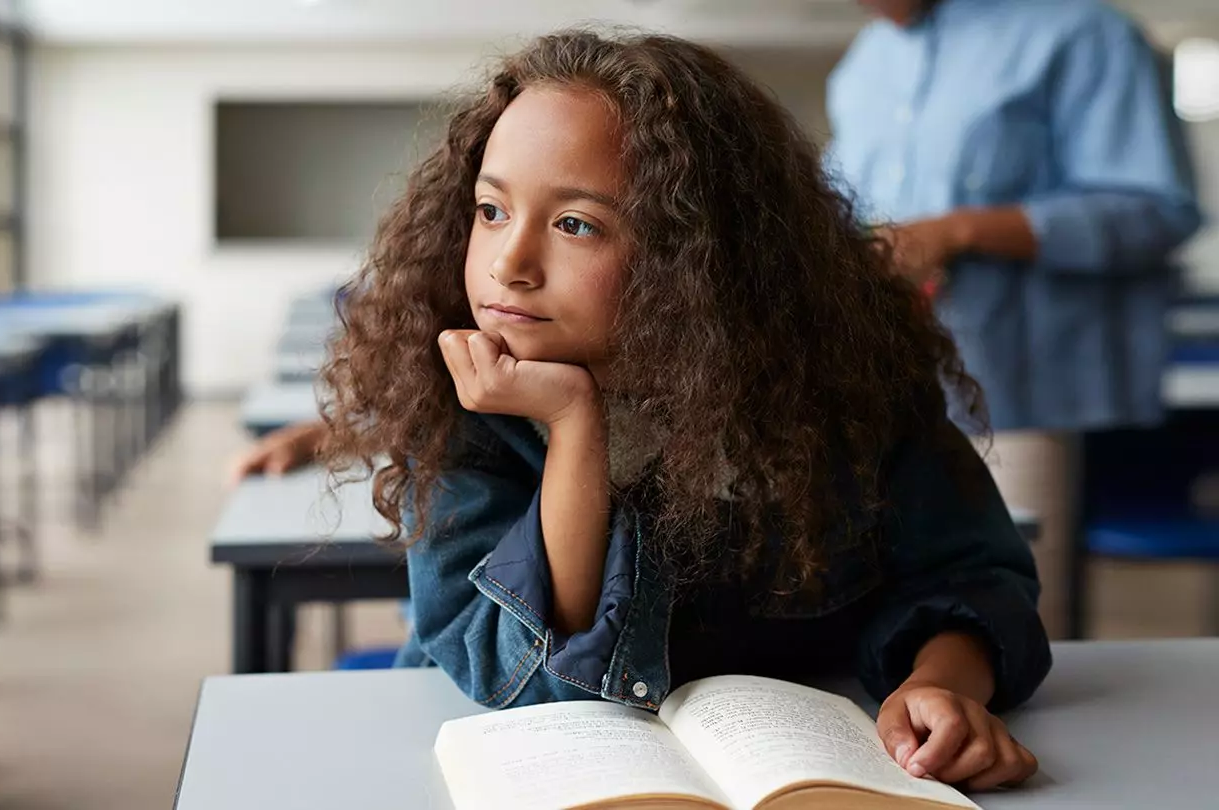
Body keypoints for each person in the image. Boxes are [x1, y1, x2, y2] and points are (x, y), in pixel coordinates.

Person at [317, 31, 1050, 790]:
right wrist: (575, 428)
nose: (509, 262)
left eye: (576, 224)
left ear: (699, 254)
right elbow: (529, 680)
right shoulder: (464, 407)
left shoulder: (849, 387)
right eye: (492, 209)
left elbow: (972, 576)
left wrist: (945, 688)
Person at [829, 0, 1202, 635]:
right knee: (917, 626)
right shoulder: (866, 62)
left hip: (1023, 397)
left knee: (1016, 628)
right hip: (893, 400)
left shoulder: (1081, 32)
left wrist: (963, 229)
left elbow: (1155, 211)